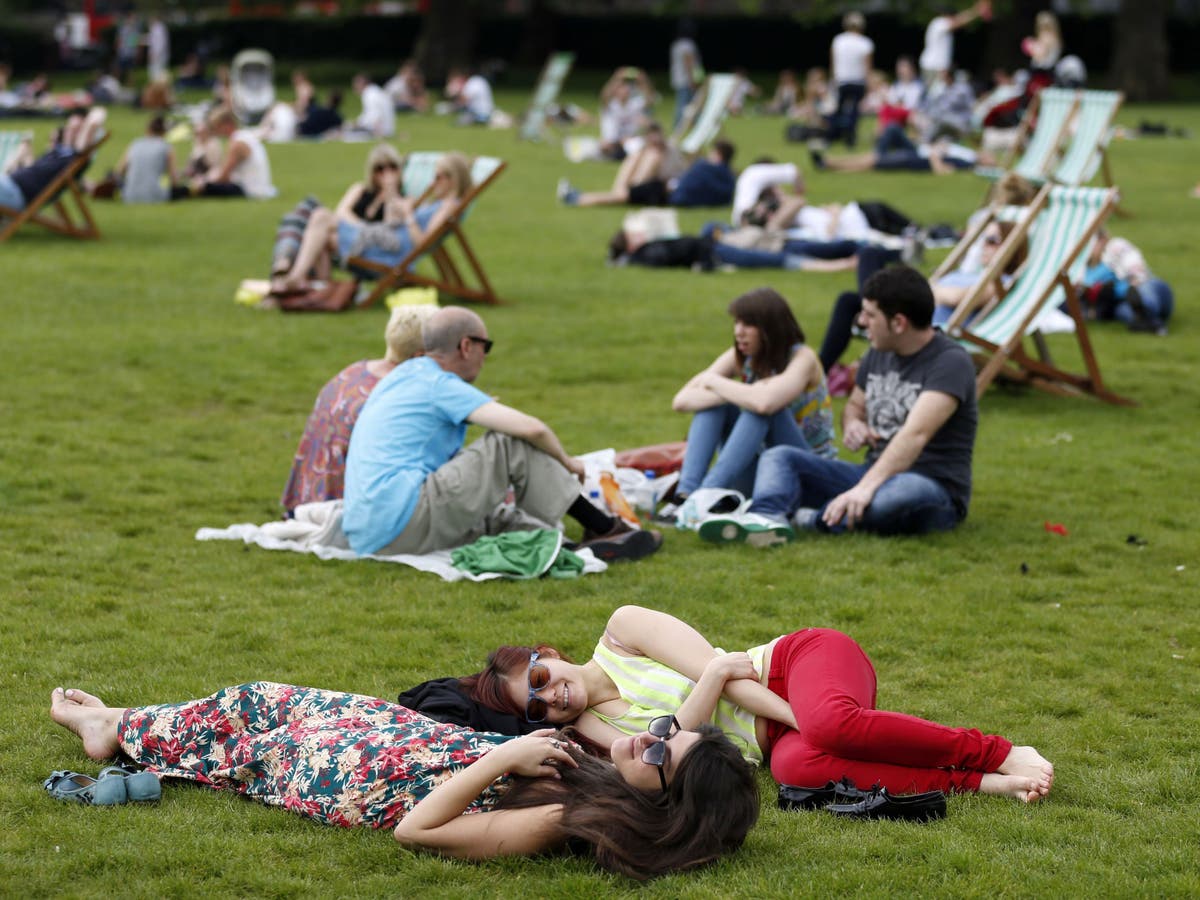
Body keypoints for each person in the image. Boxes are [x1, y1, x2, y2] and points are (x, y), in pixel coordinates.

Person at [48, 681, 758, 880]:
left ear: (665, 804)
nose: (651, 736)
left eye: (663, 753)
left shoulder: (561, 818)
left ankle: (114, 732)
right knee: (256, 700)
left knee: (259, 735)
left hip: (372, 781)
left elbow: (420, 833)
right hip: (406, 741)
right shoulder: (611, 774)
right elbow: (680, 745)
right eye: (666, 727)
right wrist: (717, 678)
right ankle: (126, 722)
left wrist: (503, 760)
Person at [466, 605, 1055, 802]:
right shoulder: (595, 733)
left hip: (795, 667)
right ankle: (981, 785)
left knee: (827, 725)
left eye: (539, 677)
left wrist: (812, 721)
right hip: (780, 742)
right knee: (793, 769)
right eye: (535, 708)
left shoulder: (623, 630)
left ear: (548, 653)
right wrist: (713, 683)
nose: (549, 697)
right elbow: (668, 758)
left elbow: (731, 674)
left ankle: (999, 753)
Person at [342, 306, 663, 562]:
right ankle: (604, 528)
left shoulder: (402, 376)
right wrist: (569, 463)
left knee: (501, 517)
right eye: (487, 346)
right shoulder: (438, 384)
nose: (486, 356)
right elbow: (531, 428)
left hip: (370, 534)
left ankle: (566, 547)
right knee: (508, 442)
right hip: (401, 523)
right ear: (466, 346)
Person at [704, 265, 977, 542]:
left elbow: (915, 434)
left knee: (894, 498)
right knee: (780, 457)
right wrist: (854, 423)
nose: (861, 321)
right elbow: (854, 406)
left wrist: (864, 489)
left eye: (870, 315)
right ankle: (765, 520)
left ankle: (811, 518)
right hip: (872, 471)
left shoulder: (950, 362)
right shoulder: (877, 353)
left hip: (929, 484)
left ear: (899, 323)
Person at [670, 288, 835, 506]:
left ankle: (706, 495)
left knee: (762, 410)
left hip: (807, 476)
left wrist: (714, 383)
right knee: (714, 405)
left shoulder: (803, 358)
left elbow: (765, 403)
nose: (739, 332)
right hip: (758, 471)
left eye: (748, 324)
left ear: (771, 328)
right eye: (737, 323)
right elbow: (681, 400)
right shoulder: (742, 356)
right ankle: (685, 495)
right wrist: (730, 394)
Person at [280, 305, 437, 516]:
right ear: (420, 355)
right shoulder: (397, 396)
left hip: (304, 502)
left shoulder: (355, 372)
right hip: (340, 513)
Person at [270, 148, 463, 295]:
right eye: (434, 177)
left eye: (437, 177)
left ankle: (298, 277)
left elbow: (423, 243)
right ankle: (321, 286)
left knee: (320, 216)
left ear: (452, 179)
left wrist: (408, 214)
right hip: (386, 240)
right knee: (318, 222)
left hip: (391, 251)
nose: (433, 183)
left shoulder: (448, 207)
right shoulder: (439, 203)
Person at [557, 128, 734, 209]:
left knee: (620, 197)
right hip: (668, 193)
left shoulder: (705, 167)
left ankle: (575, 198)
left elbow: (687, 180)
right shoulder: (728, 179)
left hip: (666, 194)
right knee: (622, 195)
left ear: (718, 154)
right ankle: (577, 196)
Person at [0, 107, 106, 216]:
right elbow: (31, 168)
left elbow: (97, 116)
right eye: (69, 127)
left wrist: (89, 120)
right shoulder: (58, 151)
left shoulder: (76, 156)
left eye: (76, 129)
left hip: (14, 194)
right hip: (8, 184)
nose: (69, 131)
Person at [932, 220, 1027, 326]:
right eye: (983, 239)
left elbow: (959, 298)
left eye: (991, 240)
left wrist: (930, 291)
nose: (983, 245)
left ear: (1012, 246)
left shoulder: (1002, 284)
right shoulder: (977, 275)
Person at [1080, 229, 1174, 335]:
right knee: (1123, 311)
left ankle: (1143, 308)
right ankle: (1153, 324)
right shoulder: (1081, 270)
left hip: (1149, 287)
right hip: (1121, 301)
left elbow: (1138, 272)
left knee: (1144, 292)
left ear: (1103, 239)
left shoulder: (1114, 247)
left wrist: (1133, 283)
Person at [809, 122, 989, 175]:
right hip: (919, 150)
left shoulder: (967, 163)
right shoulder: (969, 153)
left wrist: (935, 154)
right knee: (892, 131)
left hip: (918, 159)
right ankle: (829, 162)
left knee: (874, 161)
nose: (990, 156)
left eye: (991, 159)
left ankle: (830, 164)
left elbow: (943, 170)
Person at [182, 106, 276, 199]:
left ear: (227, 124)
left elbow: (224, 176)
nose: (216, 131)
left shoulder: (237, 143)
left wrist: (205, 181)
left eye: (217, 127)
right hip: (259, 187)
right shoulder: (245, 136)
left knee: (205, 187)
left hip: (250, 190)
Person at [919, 1, 991, 87]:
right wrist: (976, 11)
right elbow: (958, 22)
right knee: (935, 95)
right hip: (933, 68)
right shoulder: (939, 23)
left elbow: (959, 19)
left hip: (939, 68)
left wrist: (975, 10)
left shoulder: (944, 26)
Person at [828, 12, 873, 147]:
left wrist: (833, 78)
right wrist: (869, 83)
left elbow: (833, 62)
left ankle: (832, 136)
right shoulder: (865, 43)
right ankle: (850, 138)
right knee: (854, 111)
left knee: (839, 110)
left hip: (842, 80)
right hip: (857, 81)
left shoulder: (838, 40)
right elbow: (867, 67)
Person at [115, 114, 176, 204]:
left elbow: (119, 172)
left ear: (148, 129)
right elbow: (174, 180)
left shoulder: (135, 144)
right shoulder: (167, 147)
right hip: (155, 195)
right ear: (164, 131)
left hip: (129, 195)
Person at [598, 67, 653, 160]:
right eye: (622, 88)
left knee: (644, 143)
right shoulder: (611, 105)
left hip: (629, 139)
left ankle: (623, 154)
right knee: (605, 146)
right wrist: (616, 78)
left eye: (626, 88)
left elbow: (649, 99)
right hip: (613, 141)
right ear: (616, 92)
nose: (625, 91)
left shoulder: (634, 104)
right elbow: (604, 96)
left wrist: (643, 81)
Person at [669, 19, 703, 128]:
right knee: (686, 104)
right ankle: (679, 126)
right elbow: (689, 64)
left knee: (685, 103)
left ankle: (691, 124)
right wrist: (693, 80)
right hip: (686, 80)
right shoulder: (688, 45)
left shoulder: (676, 44)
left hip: (678, 78)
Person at [351, 73, 395, 138]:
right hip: (388, 129)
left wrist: (357, 124)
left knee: (347, 132)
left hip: (379, 130)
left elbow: (373, 115)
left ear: (361, 84)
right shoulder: (375, 91)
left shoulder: (368, 94)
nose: (354, 88)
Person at [146, 14, 170, 82]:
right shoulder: (156, 28)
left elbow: (160, 43)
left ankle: (159, 88)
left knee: (157, 72)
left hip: (158, 56)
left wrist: (155, 54)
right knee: (155, 72)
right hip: (157, 55)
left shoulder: (158, 28)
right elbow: (150, 39)